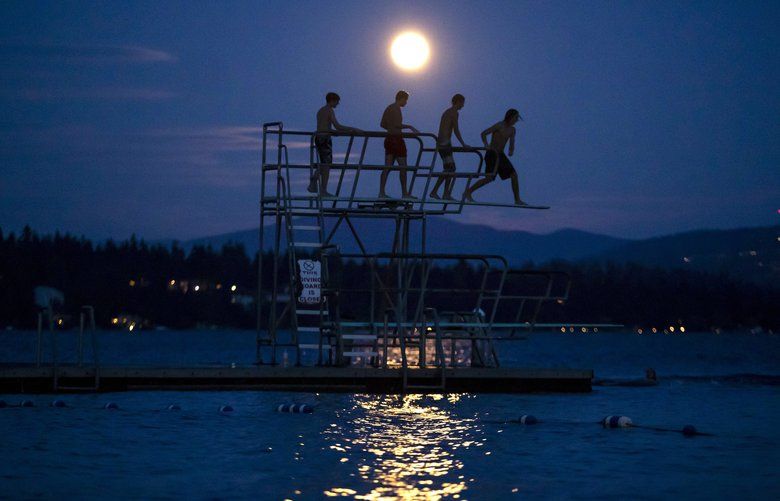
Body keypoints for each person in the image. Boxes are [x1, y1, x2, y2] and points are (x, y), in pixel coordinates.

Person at [463, 108, 527, 205]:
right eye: (515, 118)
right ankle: (468, 192)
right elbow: (484, 133)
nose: (516, 120)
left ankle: (517, 200)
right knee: (489, 178)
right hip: (492, 153)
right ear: (510, 117)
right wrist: (486, 144)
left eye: (517, 118)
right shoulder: (499, 125)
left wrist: (511, 150)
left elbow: (512, 141)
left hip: (501, 155)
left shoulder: (512, 130)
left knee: (514, 175)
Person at [308, 92, 361, 196]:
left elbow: (324, 126)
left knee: (324, 163)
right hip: (324, 139)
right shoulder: (329, 110)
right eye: (337, 102)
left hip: (319, 137)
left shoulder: (321, 110)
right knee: (326, 165)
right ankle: (321, 187)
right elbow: (338, 126)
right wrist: (352, 129)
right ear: (332, 101)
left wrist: (332, 131)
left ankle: (315, 180)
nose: (338, 104)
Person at [379, 90, 420, 199]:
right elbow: (397, 125)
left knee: (387, 167)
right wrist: (411, 127)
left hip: (389, 139)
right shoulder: (396, 108)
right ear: (401, 98)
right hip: (396, 140)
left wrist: (391, 128)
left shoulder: (389, 107)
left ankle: (381, 193)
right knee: (403, 167)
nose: (406, 102)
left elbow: (382, 124)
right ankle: (404, 193)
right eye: (406, 100)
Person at [429, 94, 470, 201]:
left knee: (449, 169)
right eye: (463, 103)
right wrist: (463, 144)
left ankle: (444, 193)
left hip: (443, 143)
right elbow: (456, 130)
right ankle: (437, 192)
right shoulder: (453, 113)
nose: (463, 106)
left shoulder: (447, 112)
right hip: (444, 143)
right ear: (458, 102)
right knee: (450, 169)